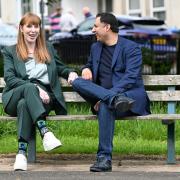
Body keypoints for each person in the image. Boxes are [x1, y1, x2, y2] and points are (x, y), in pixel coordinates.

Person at [71, 12, 151, 172]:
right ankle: (112, 99)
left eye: (95, 26)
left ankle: (104, 159)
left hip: (129, 99)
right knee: (76, 81)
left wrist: (106, 97)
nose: (93, 30)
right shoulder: (95, 47)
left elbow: (130, 79)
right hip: (113, 100)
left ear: (107, 27)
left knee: (107, 105)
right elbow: (89, 64)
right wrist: (86, 68)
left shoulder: (131, 48)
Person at [1, 12, 78, 171]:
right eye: (29, 26)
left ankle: (21, 154)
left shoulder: (47, 48)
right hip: (14, 96)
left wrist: (70, 73)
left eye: (36, 26)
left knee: (25, 105)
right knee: (28, 90)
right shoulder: (10, 51)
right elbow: (9, 78)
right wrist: (35, 88)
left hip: (44, 100)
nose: (33, 30)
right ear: (21, 28)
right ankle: (45, 132)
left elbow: (60, 67)